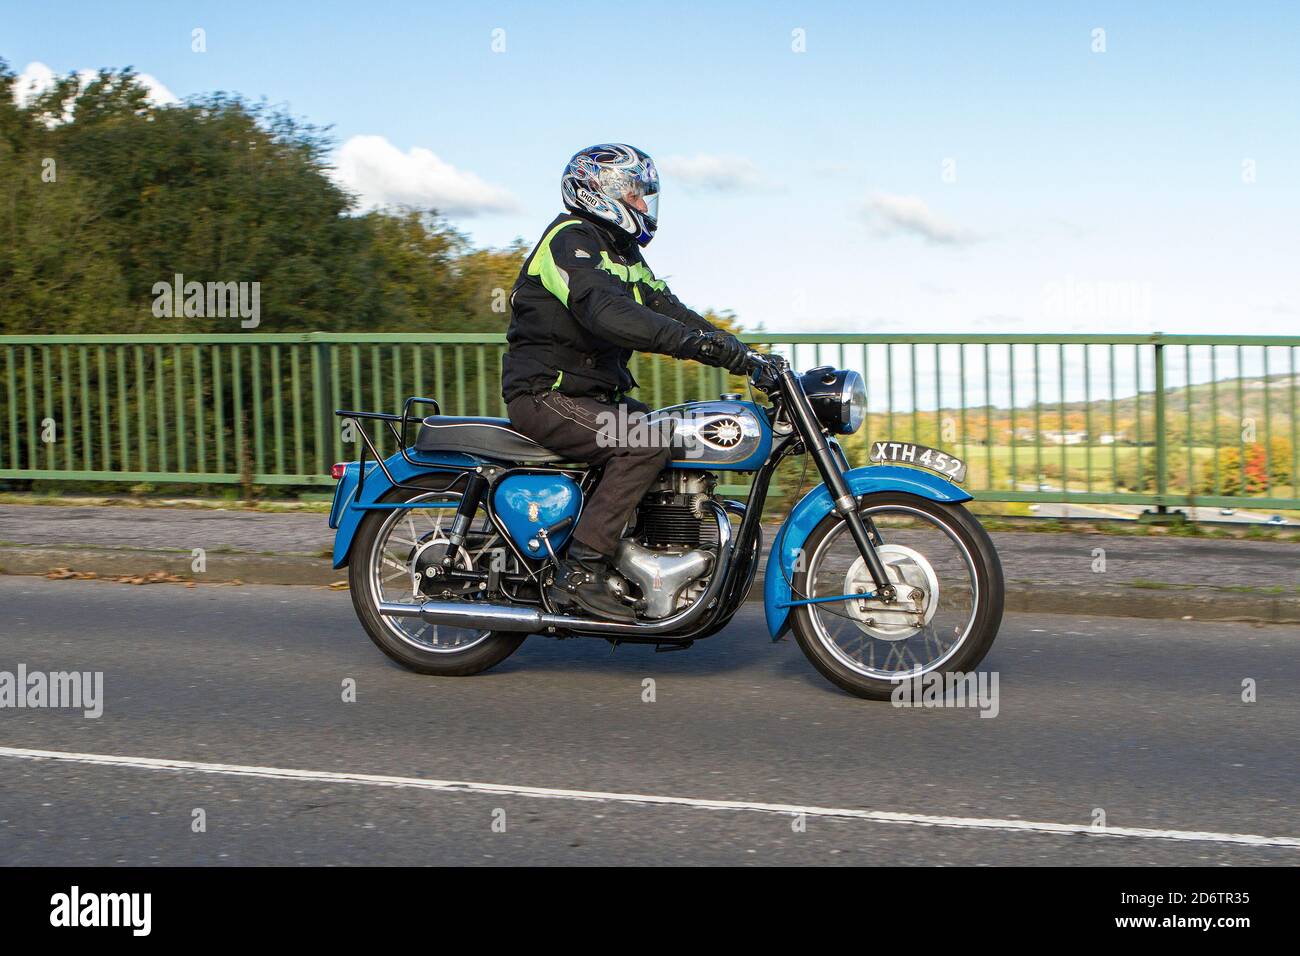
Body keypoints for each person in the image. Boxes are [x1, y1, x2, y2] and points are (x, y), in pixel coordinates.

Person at [502, 143, 748, 620]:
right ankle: (579, 573)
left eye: (643, 194)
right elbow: (607, 313)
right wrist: (689, 344)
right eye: (635, 193)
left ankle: (639, 555)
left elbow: (666, 307)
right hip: (546, 395)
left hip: (593, 397)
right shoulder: (568, 241)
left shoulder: (624, 253)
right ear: (599, 190)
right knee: (642, 443)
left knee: (673, 434)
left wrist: (740, 353)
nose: (642, 204)